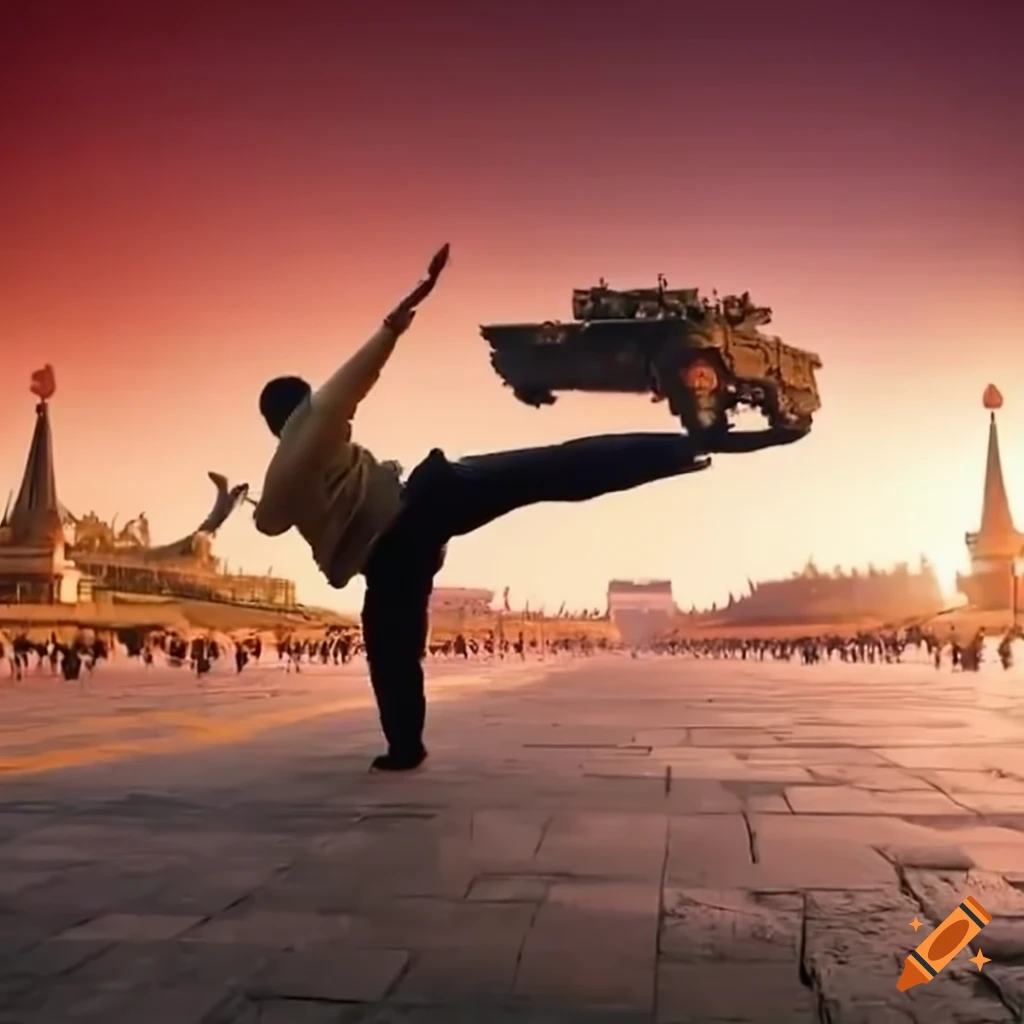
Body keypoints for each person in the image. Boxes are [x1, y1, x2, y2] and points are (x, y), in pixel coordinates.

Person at [253, 245, 808, 772]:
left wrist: (289, 495)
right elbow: (350, 383)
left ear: (271, 424)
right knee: (548, 469)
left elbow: (269, 521)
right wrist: (394, 323)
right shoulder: (316, 423)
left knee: (391, 650)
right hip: (424, 502)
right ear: (301, 408)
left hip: (394, 554)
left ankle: (405, 747)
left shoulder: (283, 475)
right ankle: (687, 448)